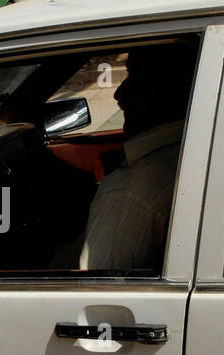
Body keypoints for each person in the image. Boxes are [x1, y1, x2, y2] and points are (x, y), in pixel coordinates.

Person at [79, 43, 196, 272]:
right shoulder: (188, 154)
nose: (119, 94)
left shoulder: (130, 191)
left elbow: (95, 286)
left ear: (169, 90)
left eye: (136, 78)